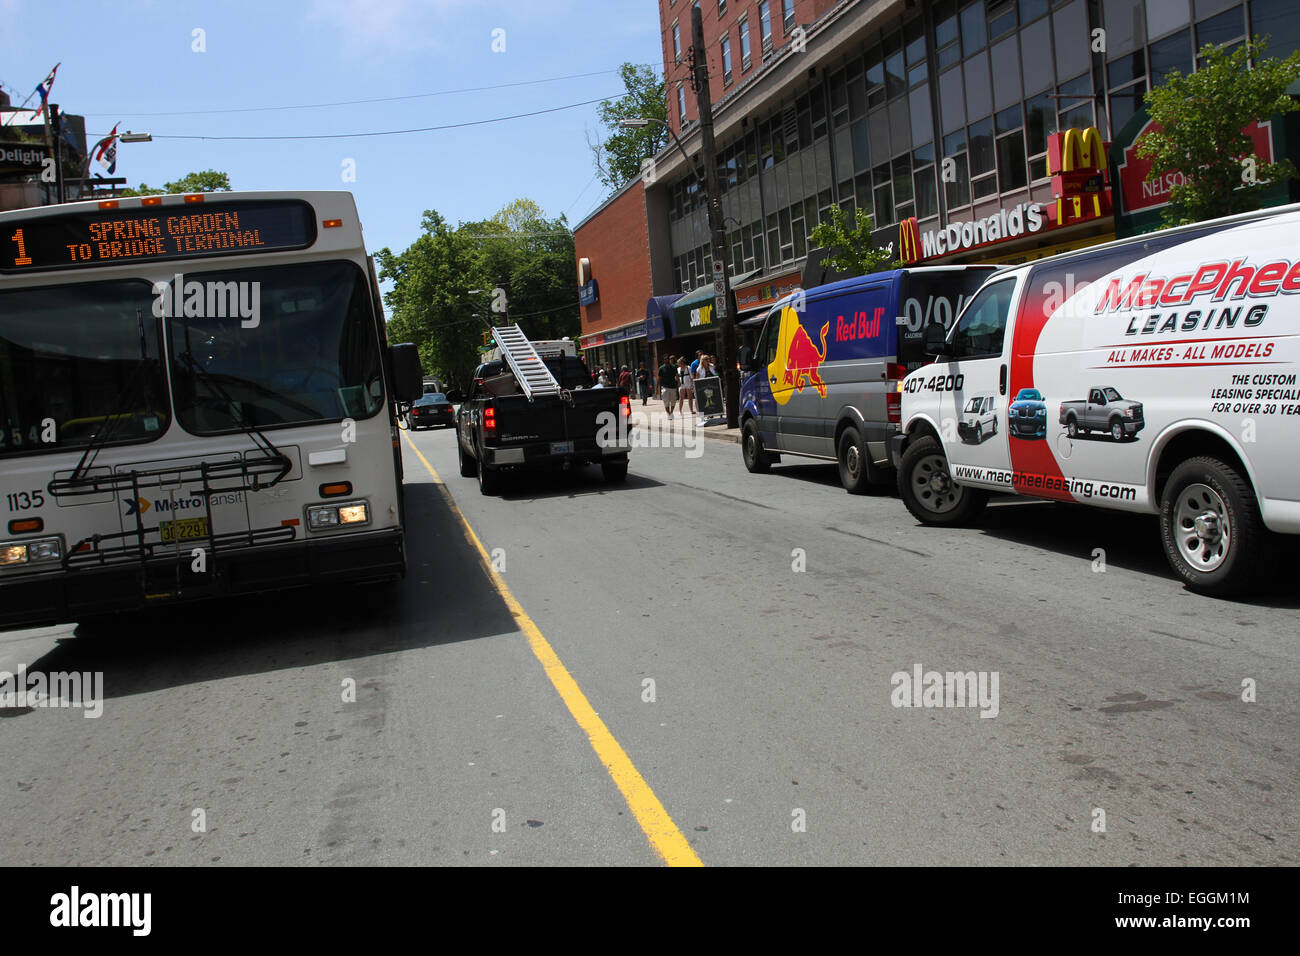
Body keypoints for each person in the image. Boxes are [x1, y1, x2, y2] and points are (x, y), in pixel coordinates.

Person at [657, 354, 679, 419]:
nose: (666, 360)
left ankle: (671, 412)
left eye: (667, 359)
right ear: (663, 360)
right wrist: (657, 389)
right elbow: (659, 378)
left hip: (673, 387)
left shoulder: (674, 367)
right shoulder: (661, 368)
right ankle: (668, 414)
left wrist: (679, 382)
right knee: (666, 402)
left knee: (673, 401)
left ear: (669, 360)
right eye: (665, 359)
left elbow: (677, 375)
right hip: (665, 387)